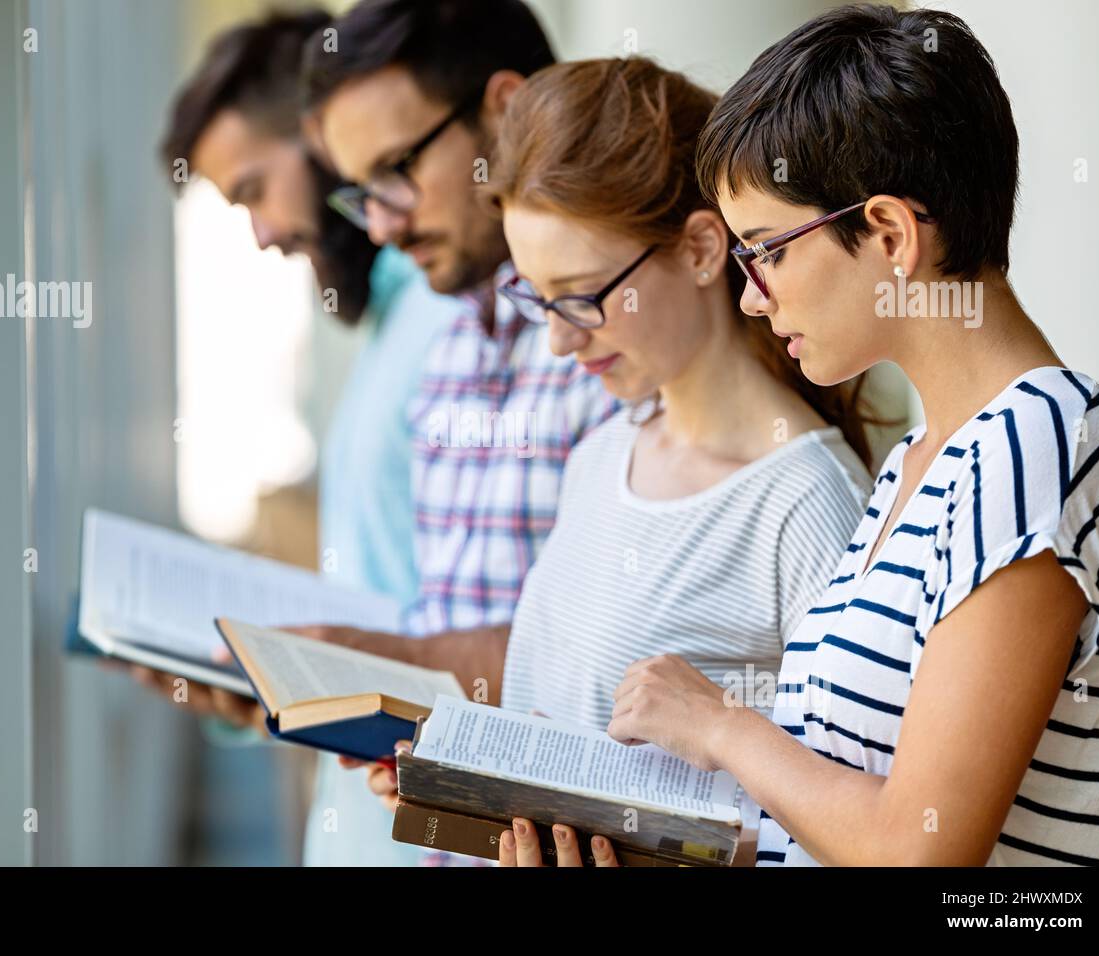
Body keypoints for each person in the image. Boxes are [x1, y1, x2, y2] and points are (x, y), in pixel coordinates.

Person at [591, 4, 1099, 867]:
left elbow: (919, 852)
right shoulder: (924, 463)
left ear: (888, 234)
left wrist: (722, 727)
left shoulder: (1038, 444)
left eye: (765, 250)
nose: (751, 299)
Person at [349, 55, 878, 865]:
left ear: (703, 250)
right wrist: (465, 780)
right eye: (537, 298)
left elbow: (853, 832)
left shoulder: (809, 504)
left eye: (583, 297)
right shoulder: (601, 457)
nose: (558, 341)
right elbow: (567, 733)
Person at [127, 10, 463, 865]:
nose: (263, 232)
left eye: (252, 189)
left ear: (323, 140)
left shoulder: (460, 312)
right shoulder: (396, 315)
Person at [290, 0, 617, 864]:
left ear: (504, 108)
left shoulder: (616, 346)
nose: (383, 226)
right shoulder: (448, 353)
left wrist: (388, 661)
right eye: (361, 191)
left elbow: (628, 666)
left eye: (397, 170)